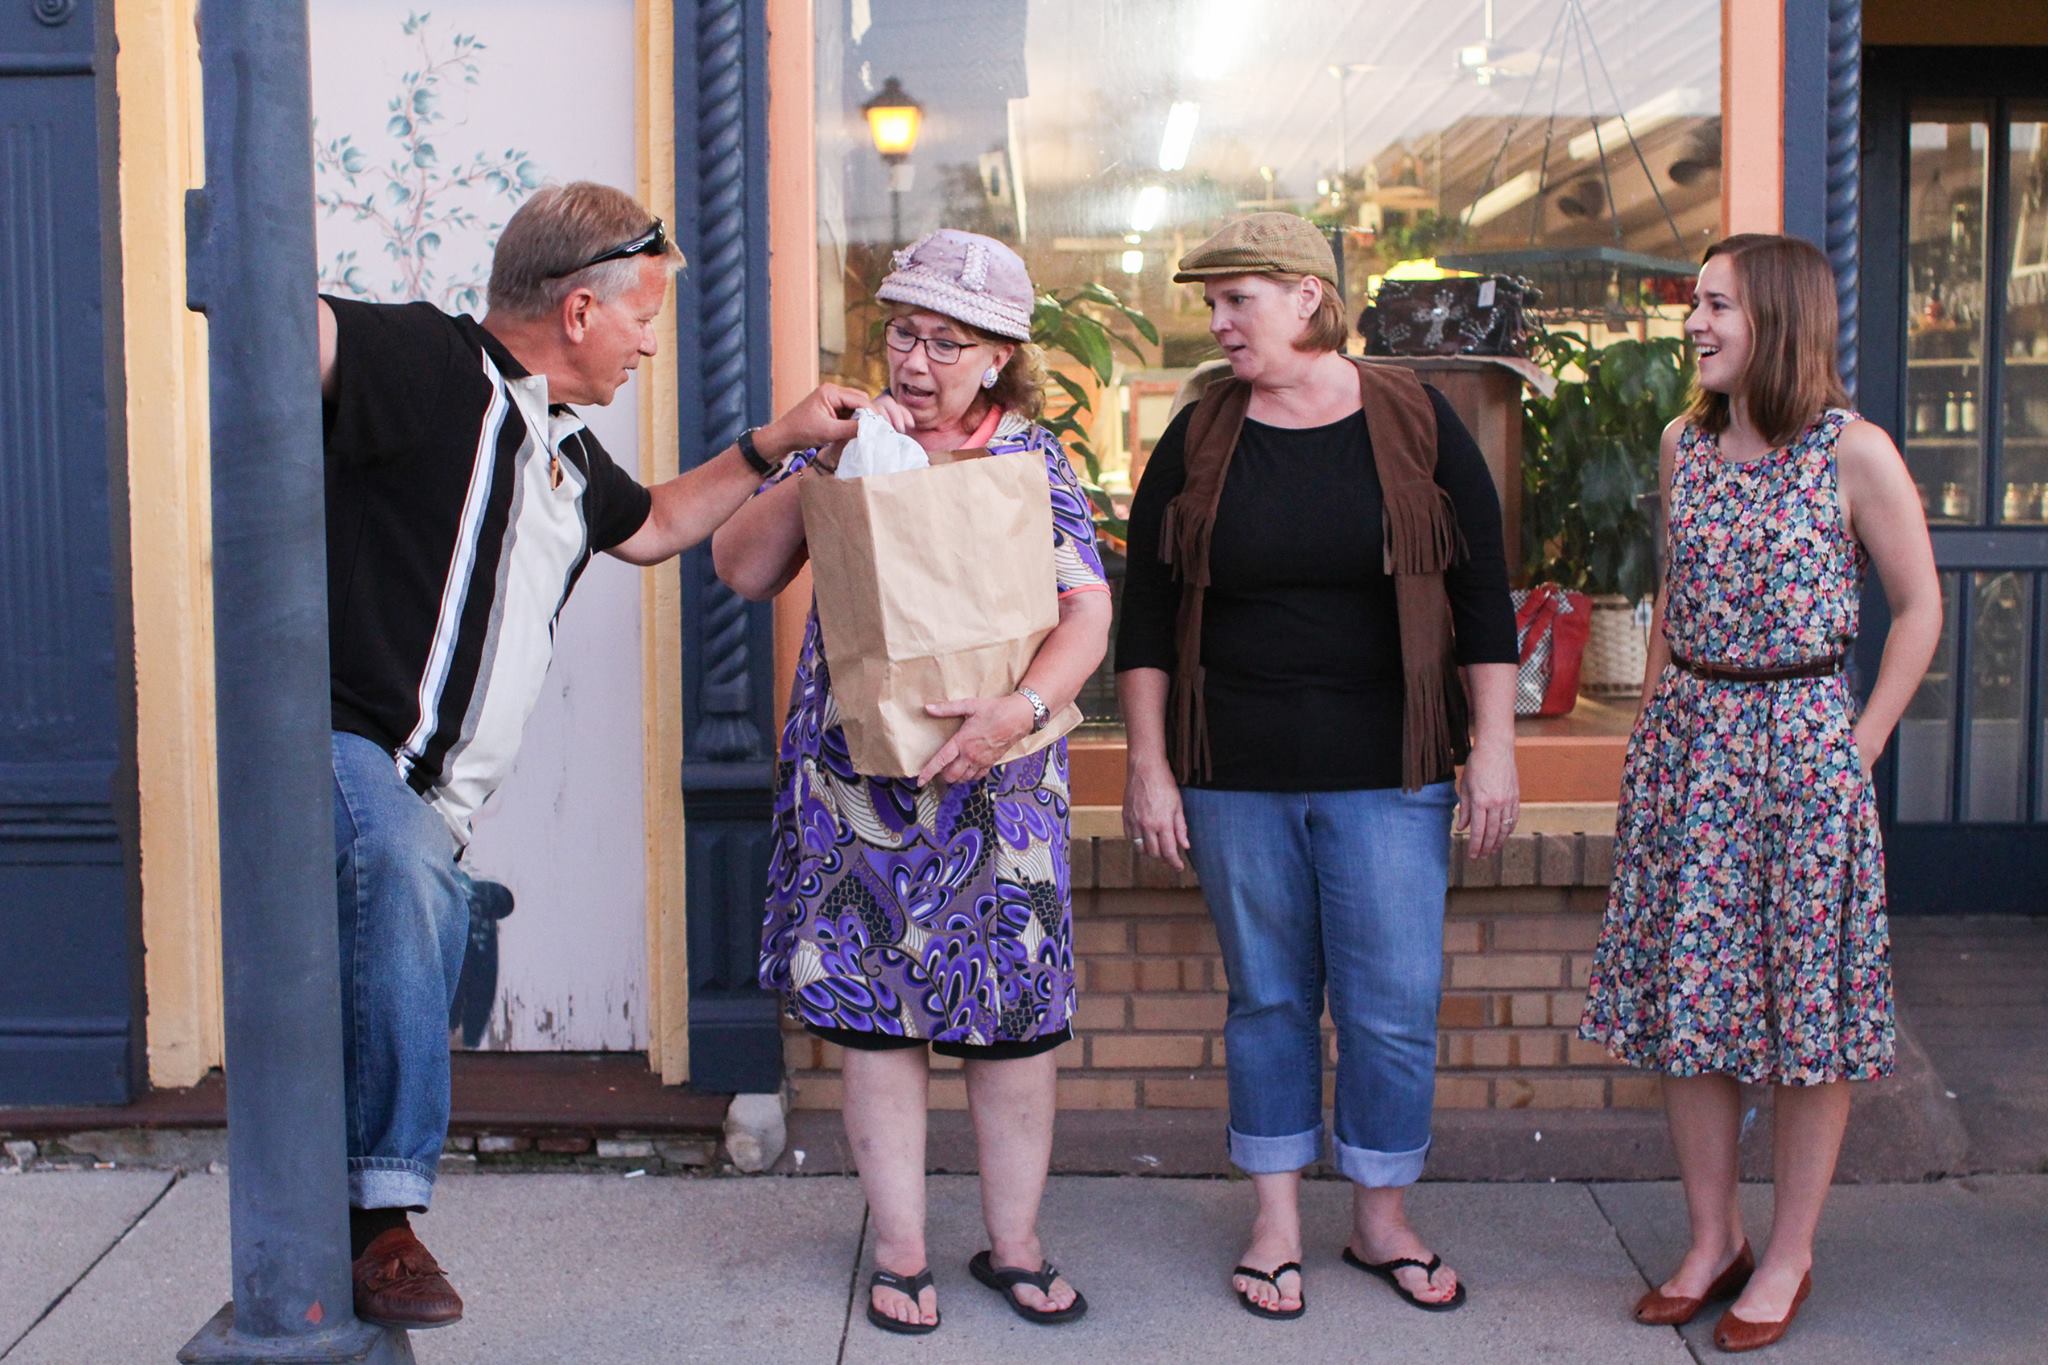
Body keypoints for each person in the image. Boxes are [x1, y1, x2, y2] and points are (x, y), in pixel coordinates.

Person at [318, 181, 867, 1329]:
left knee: (413, 883)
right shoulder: (431, 363)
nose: (649, 342)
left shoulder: (562, 452)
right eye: (641, 316)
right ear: (577, 311)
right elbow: (298, 329)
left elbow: (660, 526)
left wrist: (779, 445)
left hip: (429, 793)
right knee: (404, 874)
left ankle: (362, 1204)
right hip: (346, 749)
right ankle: (378, 1221)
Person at [1116, 213, 1520, 1321]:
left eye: (1234, 297)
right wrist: (1146, 764)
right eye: (1209, 301)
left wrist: (1492, 749)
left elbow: (1485, 591)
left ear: (1306, 296)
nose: (1215, 321)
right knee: (1269, 1001)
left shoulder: (1410, 417)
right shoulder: (1201, 431)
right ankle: (1277, 1220)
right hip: (1232, 767)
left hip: (1387, 770)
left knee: (1391, 1002)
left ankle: (1380, 1219)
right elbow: (1143, 611)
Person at [715, 229, 1111, 1336]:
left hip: (999, 788)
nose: (917, 360)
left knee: (1011, 1032)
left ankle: (1015, 1248)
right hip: (858, 788)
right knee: (878, 1028)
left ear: (997, 357)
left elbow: (1086, 611)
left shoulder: (1030, 459)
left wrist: (1015, 715)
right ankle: (898, 1253)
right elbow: (742, 570)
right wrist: (826, 464)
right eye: (904, 332)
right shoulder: (843, 446)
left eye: (948, 340)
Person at [1579, 233, 1941, 1353]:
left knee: (1802, 1019)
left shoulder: (1853, 450)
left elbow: (1917, 607)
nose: (1692, 324)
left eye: (1715, 305)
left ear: (1776, 317)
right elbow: (1677, 597)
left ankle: (1786, 1253)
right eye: (1694, 304)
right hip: (1690, 740)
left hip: (1799, 746)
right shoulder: (1681, 440)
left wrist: (1857, 747)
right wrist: (1648, 726)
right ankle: (1708, 1240)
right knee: (1692, 1009)